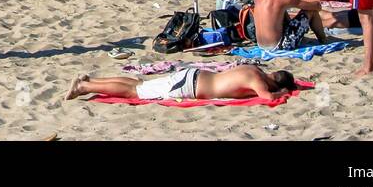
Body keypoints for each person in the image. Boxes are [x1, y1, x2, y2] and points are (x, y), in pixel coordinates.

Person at [65, 65, 297, 102]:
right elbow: (267, 97)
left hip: (193, 75)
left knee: (140, 83)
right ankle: (84, 87)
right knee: (135, 91)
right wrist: (283, 93)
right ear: (274, 82)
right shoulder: (258, 81)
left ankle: (90, 80)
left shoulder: (254, 69)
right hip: (189, 87)